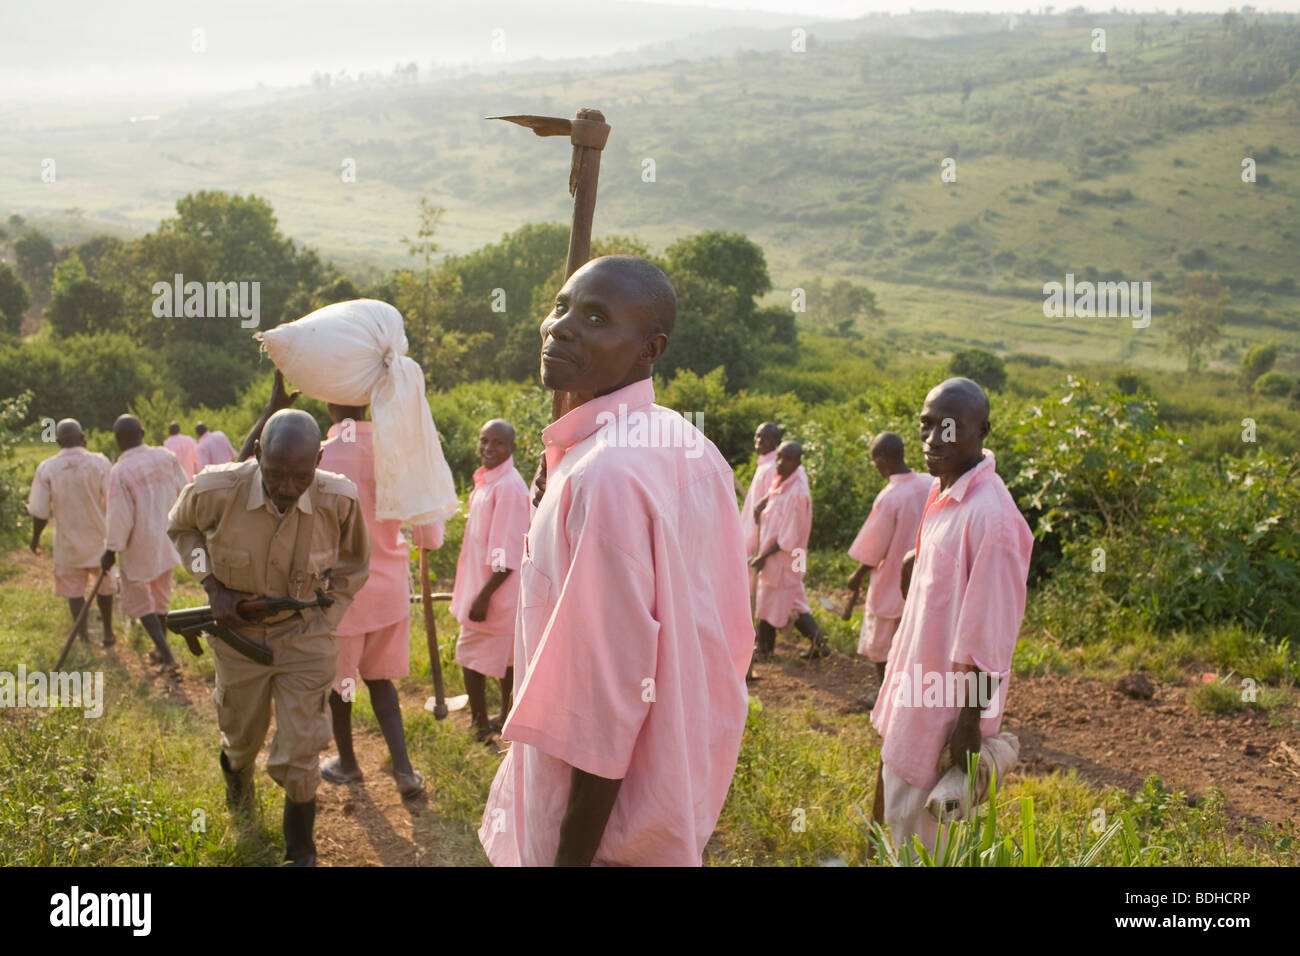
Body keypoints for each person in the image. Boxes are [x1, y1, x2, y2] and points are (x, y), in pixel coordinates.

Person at [478, 256, 753, 867]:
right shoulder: (687, 446)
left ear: (648, 350)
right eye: (561, 306)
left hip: (599, 829)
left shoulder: (606, 476)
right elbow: (729, 638)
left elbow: (601, 710)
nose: (561, 328)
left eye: (596, 317)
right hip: (671, 793)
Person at [167, 405, 370, 866]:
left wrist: (326, 619)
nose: (286, 488)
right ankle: (238, 788)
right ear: (258, 452)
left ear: (318, 460)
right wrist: (213, 587)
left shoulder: (338, 499)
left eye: (300, 477)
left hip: (306, 639)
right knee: (241, 739)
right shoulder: (216, 489)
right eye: (276, 473)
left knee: (301, 749)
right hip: (239, 642)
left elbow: (354, 566)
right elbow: (182, 530)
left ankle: (300, 848)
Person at [870, 378, 1033, 854]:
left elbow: (992, 638)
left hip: (943, 718)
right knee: (895, 826)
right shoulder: (944, 494)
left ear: (983, 430)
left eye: (949, 429)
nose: (933, 440)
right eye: (926, 427)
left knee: (924, 844)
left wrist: (967, 725)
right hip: (912, 702)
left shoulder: (994, 520)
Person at [317, 402, 443, 798]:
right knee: (381, 681)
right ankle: (404, 771)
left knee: (343, 685)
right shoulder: (395, 452)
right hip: (389, 590)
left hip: (341, 594)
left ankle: (349, 763)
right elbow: (431, 537)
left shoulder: (319, 456)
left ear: (328, 401)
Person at [449, 419, 530, 741]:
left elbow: (507, 555)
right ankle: (505, 718)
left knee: (471, 656)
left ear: (511, 447)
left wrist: (483, 597)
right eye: (484, 441)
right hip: (486, 589)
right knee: (507, 659)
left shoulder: (508, 488)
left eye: (497, 443)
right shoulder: (487, 482)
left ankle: (481, 723)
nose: (488, 448)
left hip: (495, 594)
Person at [846, 431, 932, 704]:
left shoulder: (891, 497)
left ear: (882, 460)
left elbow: (874, 548)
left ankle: (886, 696)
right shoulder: (930, 483)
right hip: (925, 577)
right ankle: (909, 694)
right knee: (913, 640)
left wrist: (857, 575)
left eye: (874, 461)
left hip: (892, 578)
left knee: (883, 642)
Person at [102, 414, 188, 668]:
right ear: (143, 432)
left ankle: (167, 655)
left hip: (138, 545)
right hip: (167, 539)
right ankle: (161, 651)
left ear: (118, 440)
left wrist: (110, 550)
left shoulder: (120, 472)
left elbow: (119, 517)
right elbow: (184, 492)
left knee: (141, 602)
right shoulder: (165, 457)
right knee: (160, 597)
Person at [28, 418, 117, 646]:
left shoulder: (47, 468)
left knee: (74, 591)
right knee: (105, 588)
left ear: (58, 441)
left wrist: (35, 540)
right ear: (83, 438)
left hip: (68, 544)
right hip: (99, 540)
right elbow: (113, 503)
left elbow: (39, 512)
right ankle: (108, 632)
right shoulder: (100, 463)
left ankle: (84, 636)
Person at [750, 440, 829, 665]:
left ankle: (764, 649)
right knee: (793, 599)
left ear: (798, 462)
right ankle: (819, 644)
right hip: (780, 556)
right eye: (779, 457)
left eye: (787, 459)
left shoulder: (798, 494)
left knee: (771, 598)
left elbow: (788, 538)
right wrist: (763, 502)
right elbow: (776, 491)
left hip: (786, 556)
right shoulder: (787, 477)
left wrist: (762, 557)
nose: (781, 463)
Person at [739, 422, 781, 609]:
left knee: (757, 583)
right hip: (750, 533)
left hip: (759, 535)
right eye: (757, 436)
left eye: (765, 438)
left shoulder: (773, 466)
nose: (759, 441)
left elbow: (774, 504)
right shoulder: (764, 464)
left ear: (775, 441)